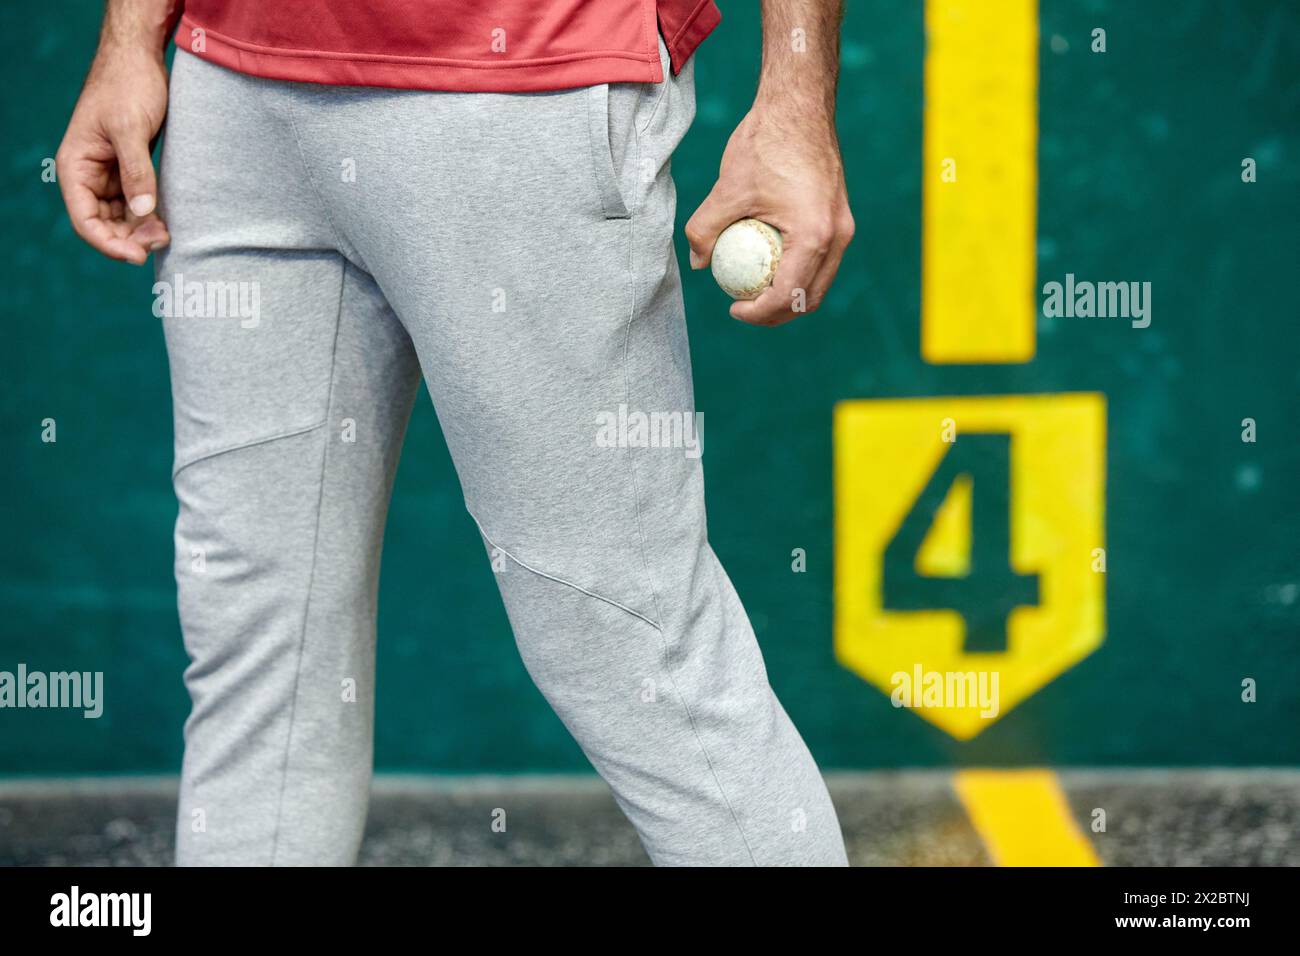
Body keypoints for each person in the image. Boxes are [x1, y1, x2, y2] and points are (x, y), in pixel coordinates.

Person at [56, 0, 855, 866]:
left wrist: (794, 98)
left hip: (529, 85)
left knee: (640, 659)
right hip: (235, 100)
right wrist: (130, 37)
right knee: (257, 657)